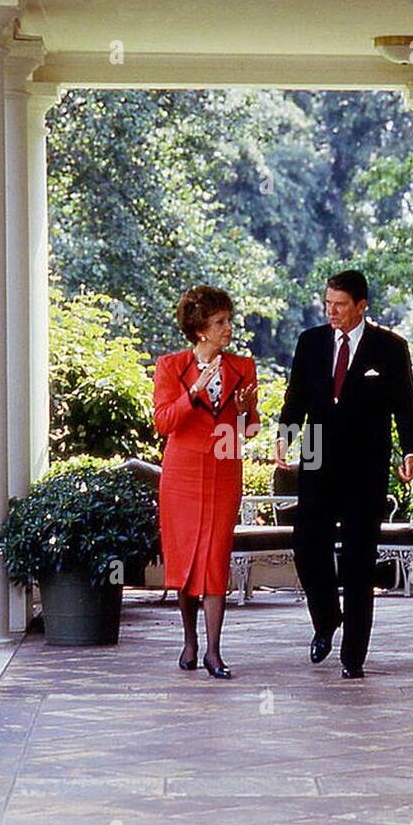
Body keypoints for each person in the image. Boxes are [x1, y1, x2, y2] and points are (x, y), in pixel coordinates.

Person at [276, 269, 413, 678]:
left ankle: (353, 655)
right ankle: (326, 619)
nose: (331, 311)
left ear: (361, 306)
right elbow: (295, 398)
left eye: (340, 305)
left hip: (365, 465)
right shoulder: (310, 342)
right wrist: (285, 437)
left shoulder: (390, 348)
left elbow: (406, 406)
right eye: (327, 303)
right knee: (307, 546)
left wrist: (411, 450)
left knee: (359, 560)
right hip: (317, 454)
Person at [153, 285, 259, 678]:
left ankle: (214, 651)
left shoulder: (243, 367)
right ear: (200, 330)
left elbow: (250, 431)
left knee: (215, 559)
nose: (228, 328)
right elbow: (163, 422)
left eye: (228, 320)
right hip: (182, 476)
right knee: (186, 560)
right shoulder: (171, 366)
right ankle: (190, 641)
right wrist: (194, 391)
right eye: (219, 322)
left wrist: (246, 411)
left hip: (223, 472)